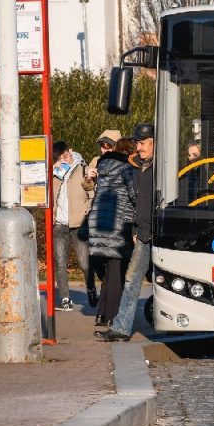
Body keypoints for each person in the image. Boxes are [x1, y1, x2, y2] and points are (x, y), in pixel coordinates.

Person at [96, 124, 154, 342]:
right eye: (137, 143)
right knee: (131, 280)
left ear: (153, 143)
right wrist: (135, 228)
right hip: (143, 234)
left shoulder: (163, 167)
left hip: (161, 233)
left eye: (142, 143)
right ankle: (121, 328)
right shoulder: (135, 167)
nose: (138, 148)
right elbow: (134, 201)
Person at [86, 135, 136, 327]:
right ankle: (112, 315)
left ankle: (101, 313)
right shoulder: (126, 169)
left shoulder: (103, 168)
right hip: (117, 224)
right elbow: (133, 196)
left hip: (99, 223)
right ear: (129, 152)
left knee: (109, 271)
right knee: (116, 271)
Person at [79, 129, 119, 305]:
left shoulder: (124, 162)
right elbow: (87, 187)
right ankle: (105, 287)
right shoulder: (96, 161)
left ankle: (109, 297)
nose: (104, 150)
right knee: (94, 258)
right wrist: (88, 178)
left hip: (115, 216)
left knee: (112, 259)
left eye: (108, 146)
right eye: (102, 147)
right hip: (97, 214)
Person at [51, 140, 92, 312]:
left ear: (71, 151)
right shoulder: (54, 172)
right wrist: (53, 170)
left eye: (66, 156)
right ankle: (65, 298)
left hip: (78, 223)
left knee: (84, 262)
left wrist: (87, 213)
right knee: (60, 262)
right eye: (60, 158)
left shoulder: (82, 168)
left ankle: (91, 288)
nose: (65, 160)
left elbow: (90, 191)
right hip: (59, 223)